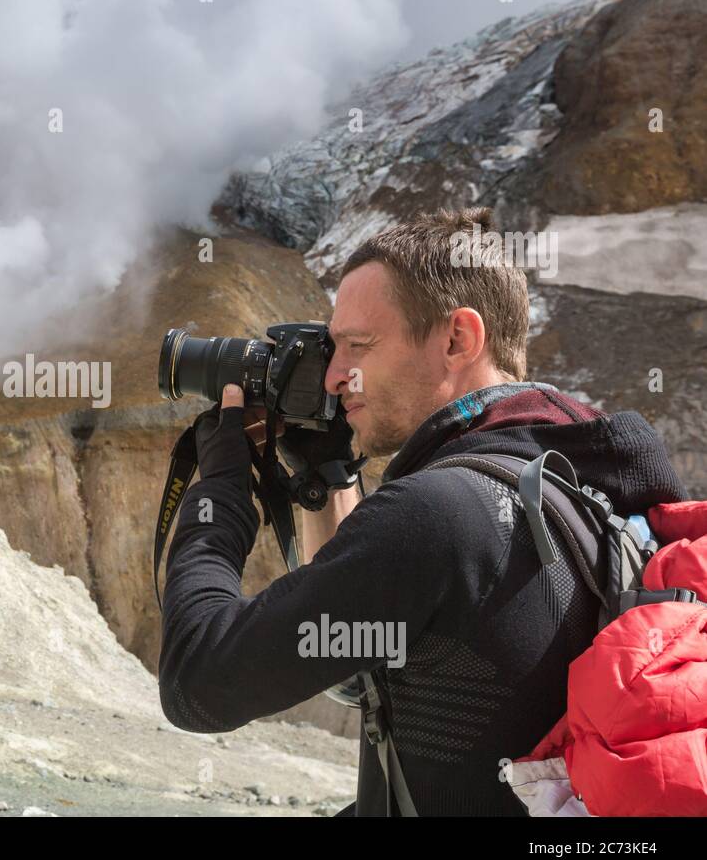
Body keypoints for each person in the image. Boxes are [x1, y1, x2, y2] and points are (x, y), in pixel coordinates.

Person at [157, 207, 687, 815]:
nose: (333, 377)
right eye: (331, 350)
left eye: (358, 346)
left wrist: (220, 497)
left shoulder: (438, 513)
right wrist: (328, 477)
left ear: (458, 339)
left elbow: (197, 683)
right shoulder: (582, 483)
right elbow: (357, 666)